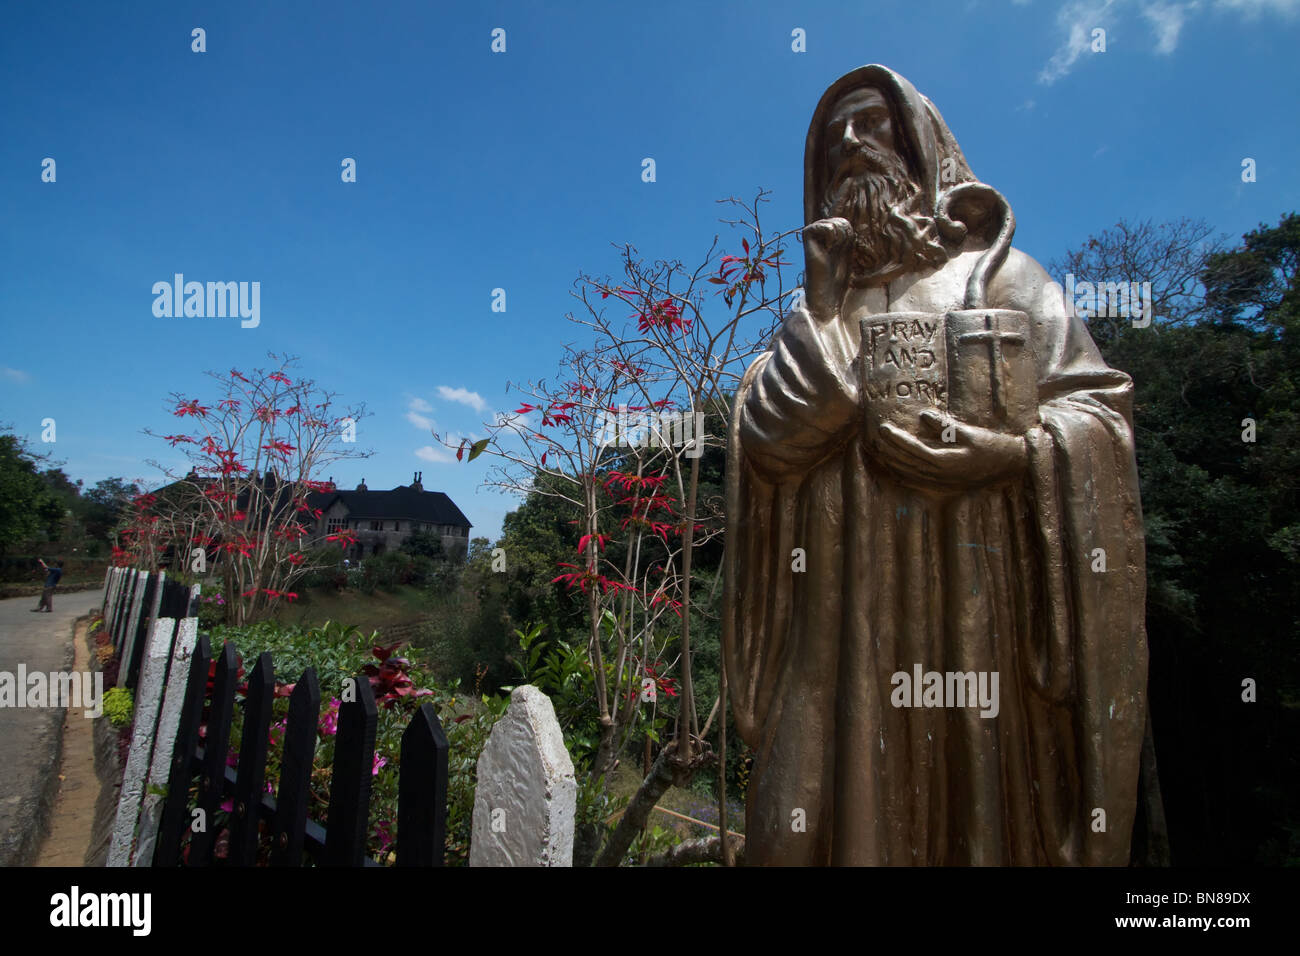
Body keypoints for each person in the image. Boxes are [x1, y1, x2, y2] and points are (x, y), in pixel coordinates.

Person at [722, 65, 1147, 865]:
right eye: (833, 140)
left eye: (871, 124)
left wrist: (1014, 455)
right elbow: (769, 445)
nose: (851, 147)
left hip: (972, 613)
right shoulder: (816, 308)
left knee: (971, 812)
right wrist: (819, 308)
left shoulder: (1005, 280)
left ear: (920, 146)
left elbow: (1098, 414)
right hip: (834, 624)